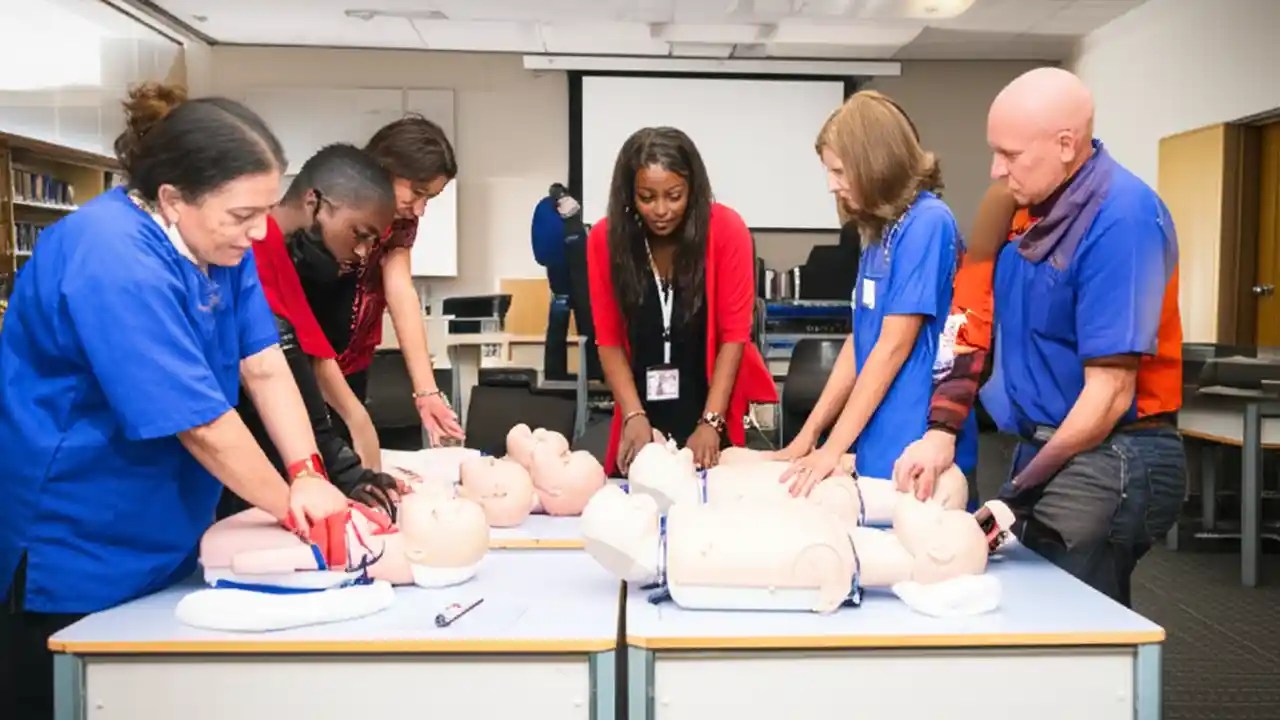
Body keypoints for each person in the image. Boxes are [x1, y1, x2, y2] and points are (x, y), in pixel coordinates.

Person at [0, 82, 348, 718]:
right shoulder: (110, 256)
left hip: (162, 526)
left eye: (267, 209)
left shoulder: (221, 242)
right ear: (171, 199)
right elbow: (203, 426)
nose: (261, 230)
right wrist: (302, 517)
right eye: (244, 215)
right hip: (74, 534)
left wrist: (307, 473)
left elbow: (264, 365)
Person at [894, 67, 1186, 607]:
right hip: (1046, 443)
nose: (995, 169)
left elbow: (1109, 396)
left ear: (1066, 144)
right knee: (1024, 603)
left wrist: (1016, 495)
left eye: (1010, 154)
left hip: (1113, 450)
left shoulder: (1123, 220)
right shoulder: (1013, 205)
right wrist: (942, 428)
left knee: (1067, 619)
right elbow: (970, 318)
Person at [778, 91, 977, 497]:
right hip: (879, 442)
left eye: (839, 171)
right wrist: (811, 436)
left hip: (918, 448)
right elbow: (860, 342)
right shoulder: (878, 231)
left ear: (873, 163)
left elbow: (892, 347)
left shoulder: (928, 224)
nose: (831, 185)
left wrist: (832, 450)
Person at [218, 143, 407, 521]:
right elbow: (274, 357)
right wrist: (338, 463)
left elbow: (310, 351)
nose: (361, 253)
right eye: (359, 234)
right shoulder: (256, 242)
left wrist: (355, 425)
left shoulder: (274, 245)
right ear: (313, 201)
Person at [586, 126, 777, 474]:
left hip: (708, 409)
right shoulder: (605, 239)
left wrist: (711, 422)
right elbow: (608, 340)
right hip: (640, 418)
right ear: (629, 194)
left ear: (693, 189)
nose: (661, 210)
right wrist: (633, 414)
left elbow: (734, 337)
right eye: (647, 197)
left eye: (674, 195)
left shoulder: (727, 230)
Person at [302, 114, 464, 445]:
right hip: (306, 365)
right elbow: (306, 325)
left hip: (353, 363)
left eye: (429, 199)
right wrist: (354, 416)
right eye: (416, 193)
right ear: (384, 168)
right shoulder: (327, 211)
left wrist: (426, 391)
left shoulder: (400, 221)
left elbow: (400, 291)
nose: (419, 209)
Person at [531, 183, 587, 380]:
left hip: (558, 276)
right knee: (587, 328)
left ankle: (554, 375)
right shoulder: (569, 210)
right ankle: (593, 374)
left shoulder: (545, 209)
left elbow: (542, 253)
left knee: (557, 325)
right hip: (579, 277)